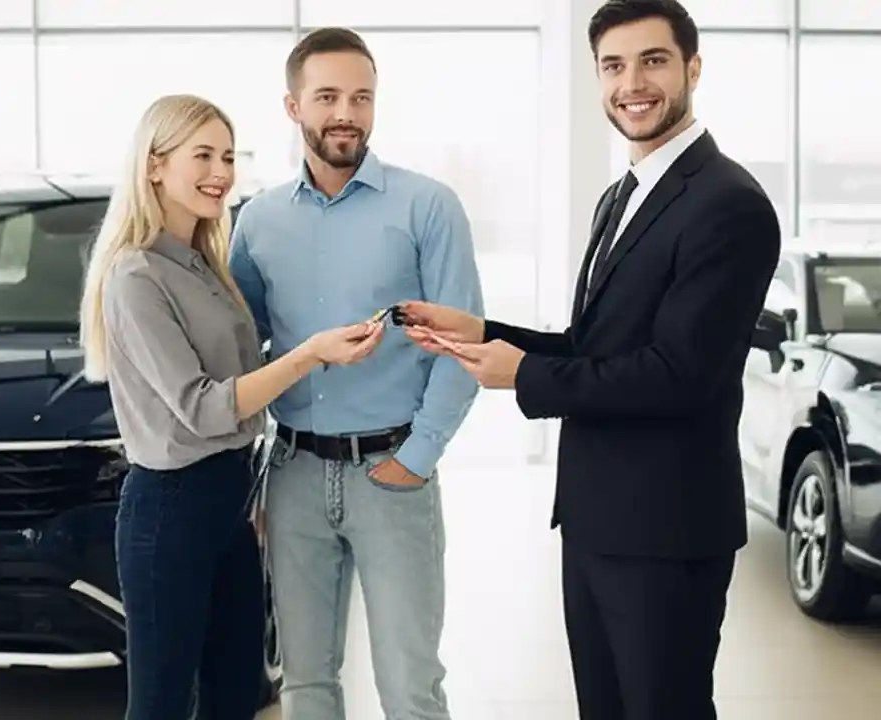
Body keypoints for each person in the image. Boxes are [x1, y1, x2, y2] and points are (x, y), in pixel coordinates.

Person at [402, 2, 781, 718]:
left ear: (693, 68)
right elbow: (596, 346)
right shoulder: (624, 194)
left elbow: (680, 376)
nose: (631, 82)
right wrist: (481, 329)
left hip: (667, 529)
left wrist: (524, 376)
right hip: (599, 519)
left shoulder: (729, 203)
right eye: (613, 65)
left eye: (653, 60)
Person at [78, 93, 383, 720]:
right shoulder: (136, 276)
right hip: (170, 510)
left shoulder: (204, 264)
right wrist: (310, 355)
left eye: (227, 155)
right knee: (162, 702)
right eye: (202, 156)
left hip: (228, 501)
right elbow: (205, 408)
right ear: (155, 165)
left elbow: (244, 374)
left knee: (238, 694)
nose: (221, 172)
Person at [228, 28, 484, 720]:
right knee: (307, 683)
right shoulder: (257, 220)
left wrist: (418, 457)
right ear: (293, 106)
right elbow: (243, 350)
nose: (347, 112)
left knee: (411, 687)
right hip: (294, 475)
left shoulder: (427, 206)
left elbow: (464, 346)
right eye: (329, 96)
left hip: (394, 472)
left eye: (361, 97)